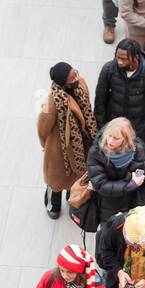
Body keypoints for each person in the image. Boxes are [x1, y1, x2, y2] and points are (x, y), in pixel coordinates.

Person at [38, 63, 97, 219]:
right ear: (63, 81)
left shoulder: (80, 84)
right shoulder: (51, 102)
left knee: (76, 178)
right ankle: (53, 204)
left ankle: (72, 197)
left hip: (80, 145)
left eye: (75, 73)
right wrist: (48, 147)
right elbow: (42, 129)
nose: (76, 77)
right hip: (59, 151)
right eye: (72, 77)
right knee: (56, 183)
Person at [87, 116, 145, 224]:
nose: (110, 141)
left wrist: (138, 178)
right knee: (110, 231)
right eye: (109, 136)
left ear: (125, 139)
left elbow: (140, 170)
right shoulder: (96, 153)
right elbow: (100, 185)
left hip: (132, 202)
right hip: (109, 204)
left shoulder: (136, 149)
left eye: (116, 138)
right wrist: (130, 184)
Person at [94, 40, 145, 149]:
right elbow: (100, 101)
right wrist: (102, 128)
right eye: (117, 57)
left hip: (137, 133)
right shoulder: (109, 70)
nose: (119, 62)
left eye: (124, 59)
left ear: (135, 57)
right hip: (113, 130)